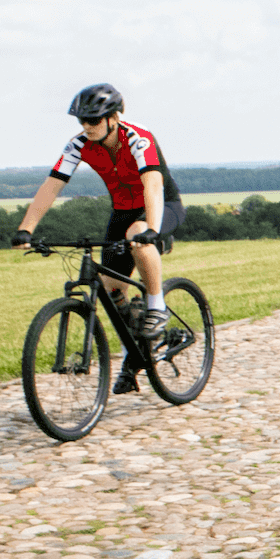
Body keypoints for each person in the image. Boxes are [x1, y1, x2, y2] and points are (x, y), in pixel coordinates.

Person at [12, 84, 185, 394]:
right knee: (109, 285)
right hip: (121, 210)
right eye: (82, 121)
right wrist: (27, 228)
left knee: (137, 237)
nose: (87, 127)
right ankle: (134, 355)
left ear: (114, 117)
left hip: (161, 206)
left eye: (93, 120)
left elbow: (154, 186)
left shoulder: (137, 138)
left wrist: (152, 228)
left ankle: (156, 306)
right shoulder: (79, 144)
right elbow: (52, 185)